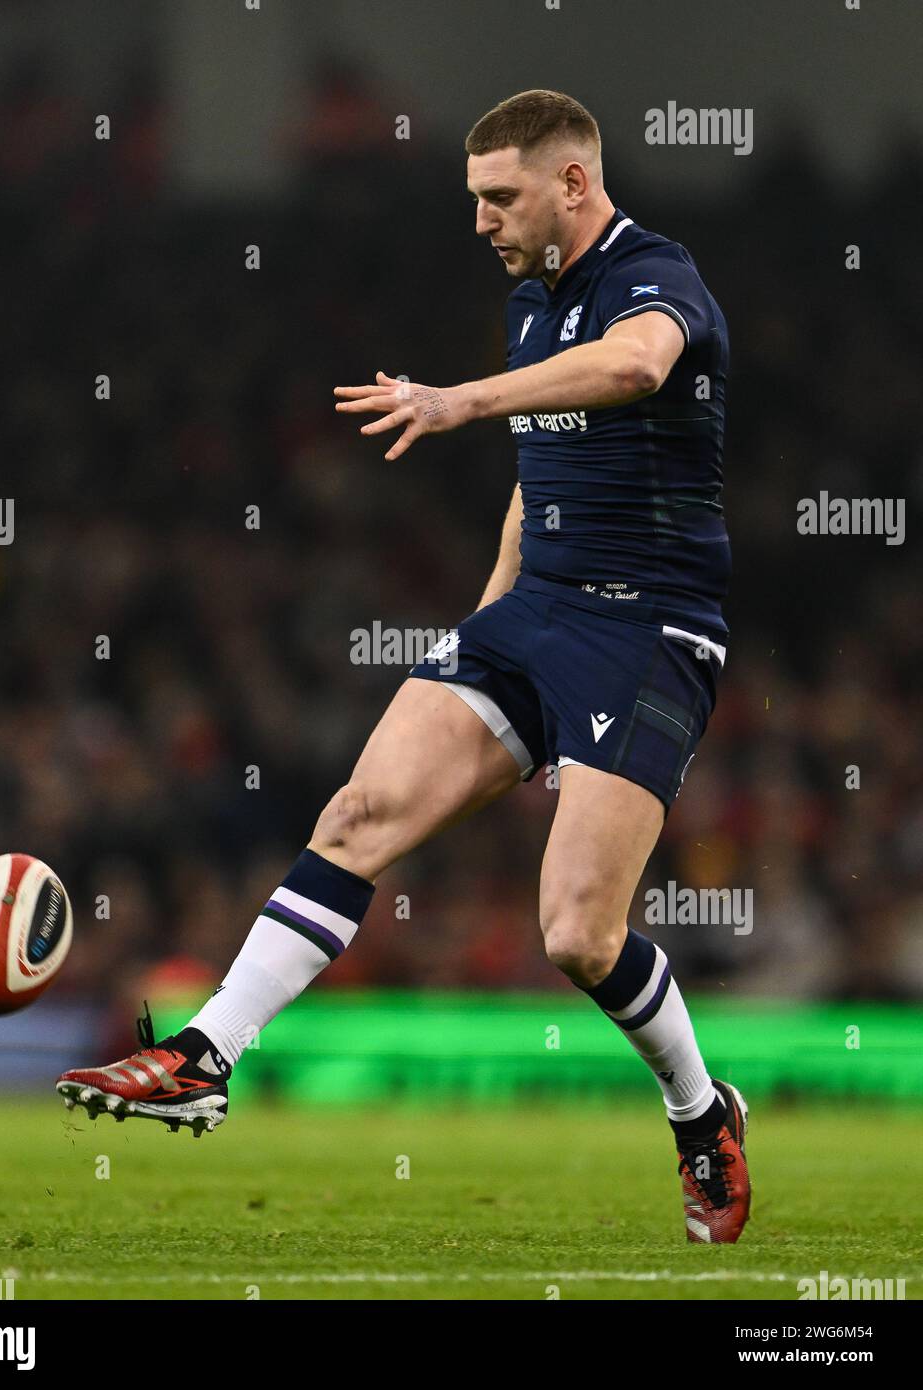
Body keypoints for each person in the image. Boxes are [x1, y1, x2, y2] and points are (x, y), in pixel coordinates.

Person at [57, 89, 749, 1245]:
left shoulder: (654, 276)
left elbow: (632, 371)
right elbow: (542, 483)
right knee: (358, 809)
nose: (478, 220)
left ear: (572, 183)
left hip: (648, 629)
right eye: (473, 198)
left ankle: (698, 1111)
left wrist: (459, 398)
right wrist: (481, 647)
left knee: (577, 933)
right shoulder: (531, 307)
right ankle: (207, 1050)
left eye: (499, 196)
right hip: (533, 615)